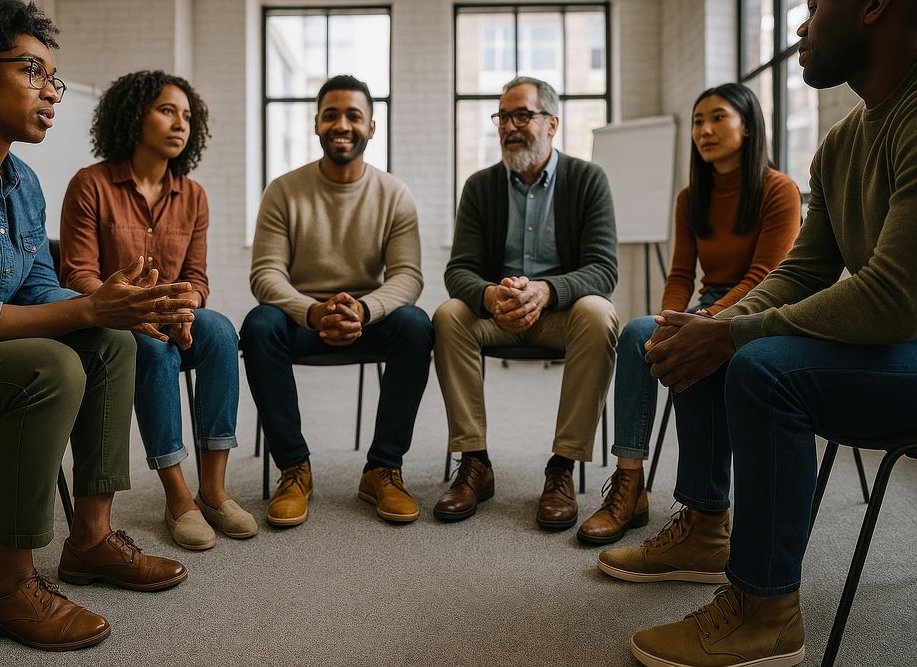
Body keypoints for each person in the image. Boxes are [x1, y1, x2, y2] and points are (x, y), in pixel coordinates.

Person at [600, 1, 917, 665]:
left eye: (814, 7)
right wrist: (709, 326)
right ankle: (706, 524)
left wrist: (735, 333)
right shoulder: (839, 145)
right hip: (897, 348)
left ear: (873, 8)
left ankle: (765, 607)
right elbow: (804, 272)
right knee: (707, 340)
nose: (799, 27)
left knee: (760, 365)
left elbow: (894, 294)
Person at [0, 0, 194, 651]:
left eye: (55, 81)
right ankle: (10, 585)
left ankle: (91, 538)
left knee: (109, 342)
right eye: (33, 72)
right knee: (54, 364)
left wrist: (129, 307)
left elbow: (44, 293)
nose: (51, 94)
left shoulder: (26, 185)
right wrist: (88, 307)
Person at [576, 83, 802, 545]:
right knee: (639, 331)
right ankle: (630, 481)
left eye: (718, 117)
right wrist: (669, 320)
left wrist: (703, 322)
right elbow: (680, 275)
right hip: (709, 301)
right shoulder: (689, 197)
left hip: (763, 308)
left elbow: (764, 276)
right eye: (699, 121)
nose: (705, 129)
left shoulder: (779, 189)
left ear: (748, 125)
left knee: (689, 343)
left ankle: (702, 511)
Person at [60, 70, 256, 551]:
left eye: (187, 116)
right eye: (167, 110)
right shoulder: (90, 185)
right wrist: (137, 308)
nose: (180, 124)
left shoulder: (193, 196)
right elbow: (77, 275)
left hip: (174, 319)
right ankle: (178, 497)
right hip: (115, 325)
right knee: (149, 344)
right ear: (133, 116)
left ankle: (213, 489)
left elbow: (197, 278)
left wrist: (185, 307)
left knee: (219, 330)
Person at [240, 75, 433, 527]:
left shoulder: (394, 194)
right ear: (316, 125)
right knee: (259, 324)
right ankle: (294, 469)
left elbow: (408, 276)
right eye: (331, 115)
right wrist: (310, 310)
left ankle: (383, 468)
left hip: (366, 318)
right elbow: (265, 273)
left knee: (417, 324)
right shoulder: (283, 190)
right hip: (302, 319)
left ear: (371, 127)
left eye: (353, 115)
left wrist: (363, 311)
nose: (342, 124)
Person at [433, 76, 618, 530]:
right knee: (448, 314)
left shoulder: (589, 179)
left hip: (562, 315)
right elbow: (459, 271)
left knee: (599, 312)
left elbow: (603, 269)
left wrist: (548, 291)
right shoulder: (480, 186)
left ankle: (562, 467)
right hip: (499, 313)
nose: (509, 126)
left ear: (552, 123)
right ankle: (475, 461)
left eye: (522, 115)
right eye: (502, 117)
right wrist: (491, 295)